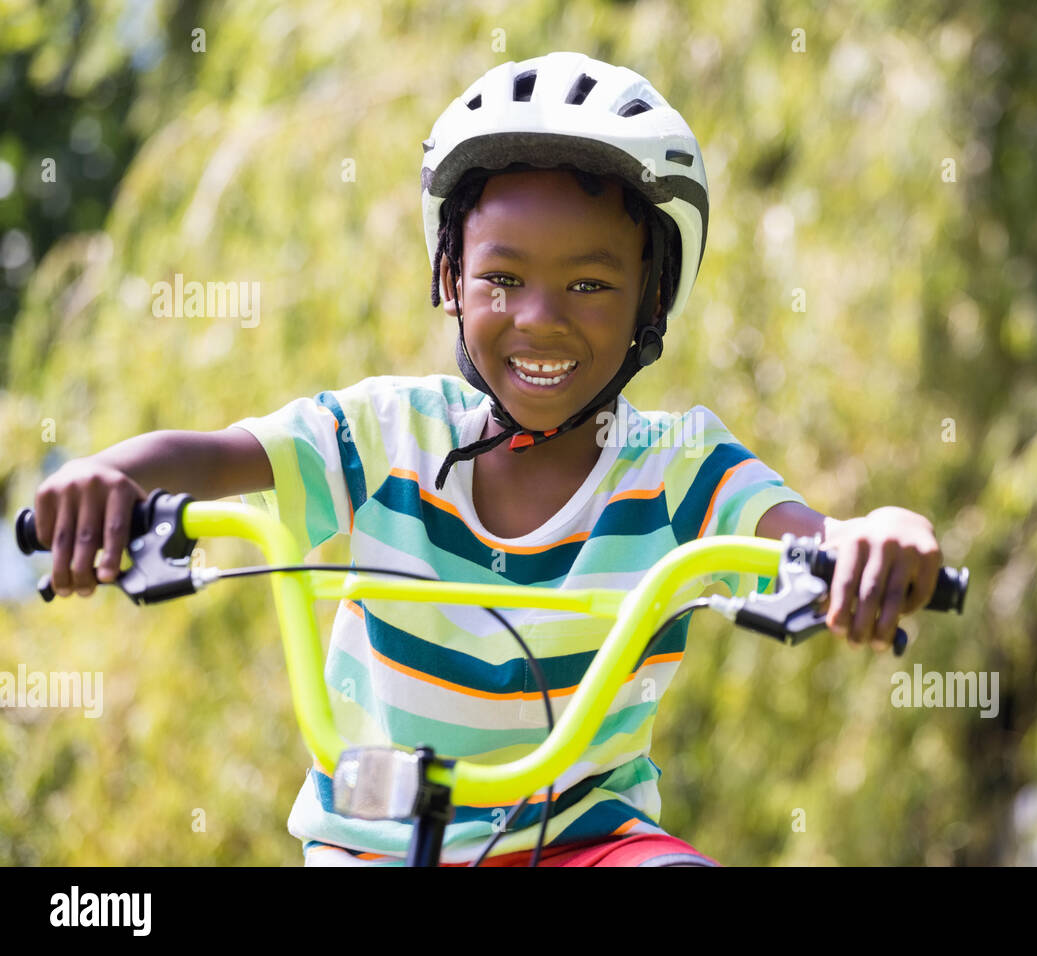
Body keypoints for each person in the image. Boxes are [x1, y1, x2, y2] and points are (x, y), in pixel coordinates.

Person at [28, 52, 943, 867]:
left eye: (589, 284)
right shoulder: (385, 436)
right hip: (374, 835)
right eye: (501, 279)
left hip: (590, 837)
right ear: (449, 282)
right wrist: (109, 479)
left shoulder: (675, 465)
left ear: (651, 301)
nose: (539, 317)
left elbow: (815, 535)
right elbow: (218, 456)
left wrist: (884, 540)